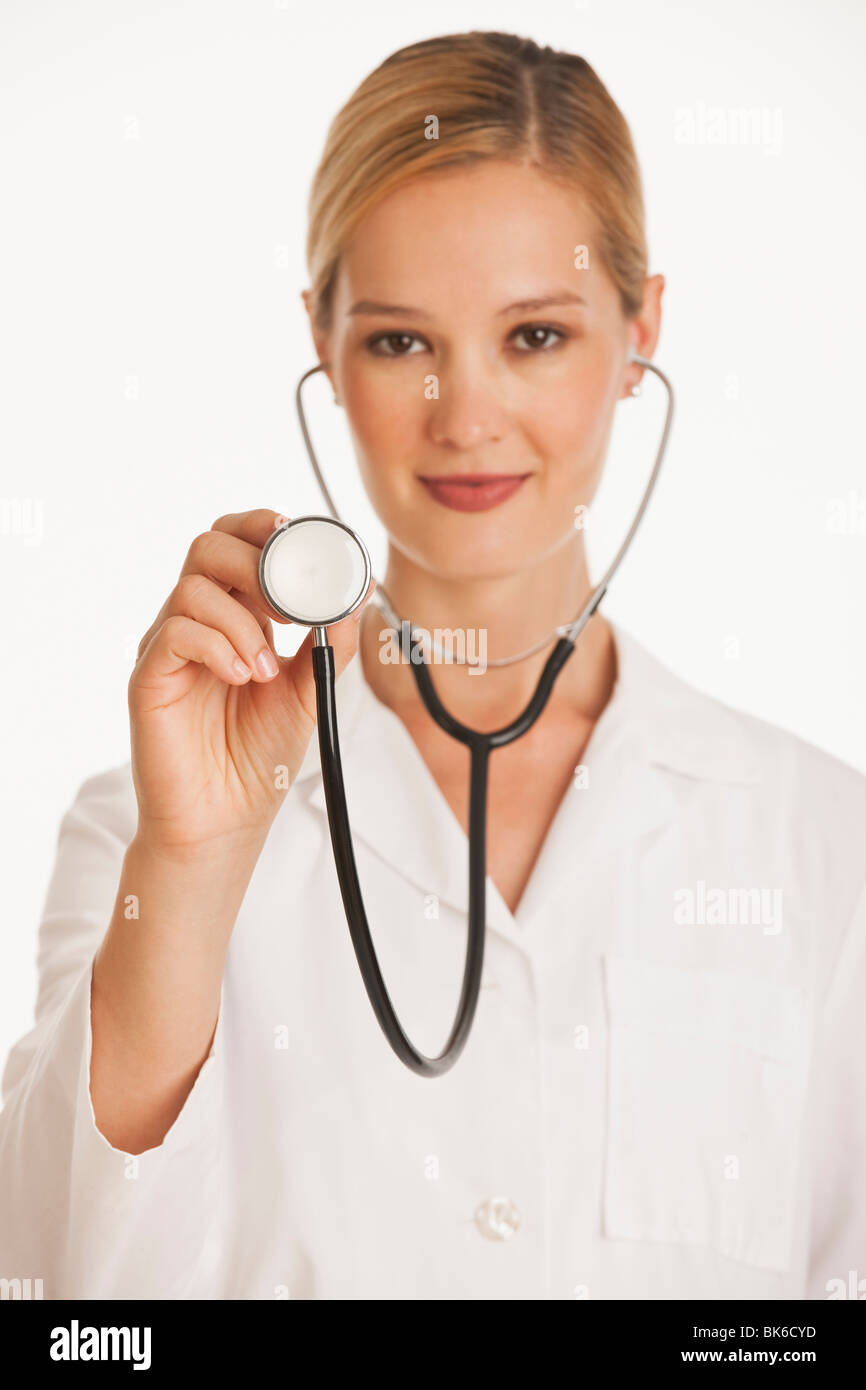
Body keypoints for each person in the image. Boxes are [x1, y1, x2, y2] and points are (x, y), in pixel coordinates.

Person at [1, 29, 864, 1302]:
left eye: (534, 335)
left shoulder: (819, 845)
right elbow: (67, 1296)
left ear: (639, 332)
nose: (464, 417)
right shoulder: (143, 825)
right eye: (400, 341)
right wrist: (189, 867)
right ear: (324, 341)